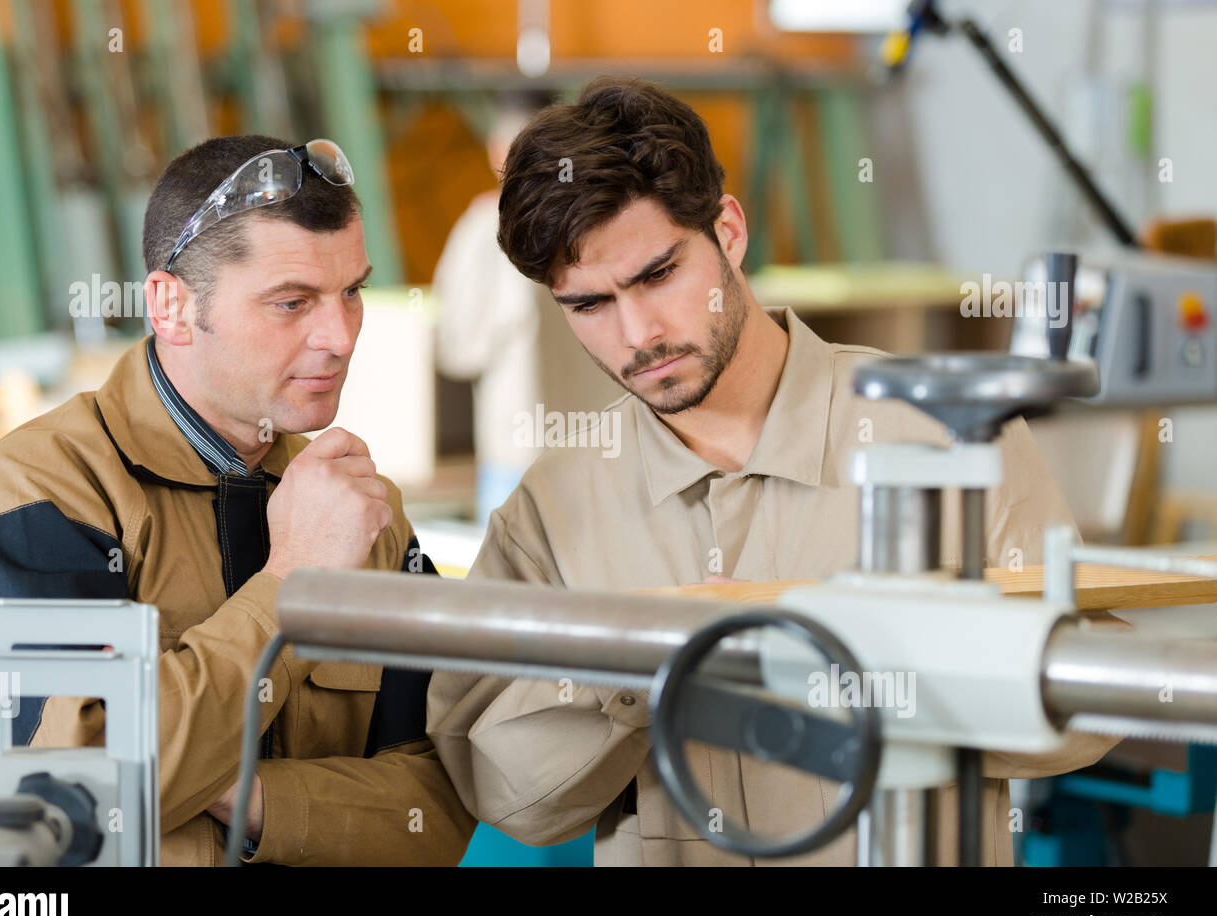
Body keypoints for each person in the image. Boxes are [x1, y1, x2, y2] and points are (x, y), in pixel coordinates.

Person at [426, 78, 1119, 866]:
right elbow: (493, 782)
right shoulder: (555, 506)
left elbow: (1094, 707)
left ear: (728, 230)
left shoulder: (943, 436)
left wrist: (867, 681)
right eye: (589, 304)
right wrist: (632, 679)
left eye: (658, 275)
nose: (638, 333)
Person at [0, 134, 475, 865]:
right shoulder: (36, 497)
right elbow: (61, 797)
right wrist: (291, 585)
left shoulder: (359, 510)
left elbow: (437, 809)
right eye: (291, 302)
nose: (338, 337)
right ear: (171, 307)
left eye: (351, 292)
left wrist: (239, 791)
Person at [432, 95, 619, 527]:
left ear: (498, 151)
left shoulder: (486, 229)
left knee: (513, 588)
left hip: (520, 454)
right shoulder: (611, 215)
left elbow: (460, 350)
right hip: (607, 447)